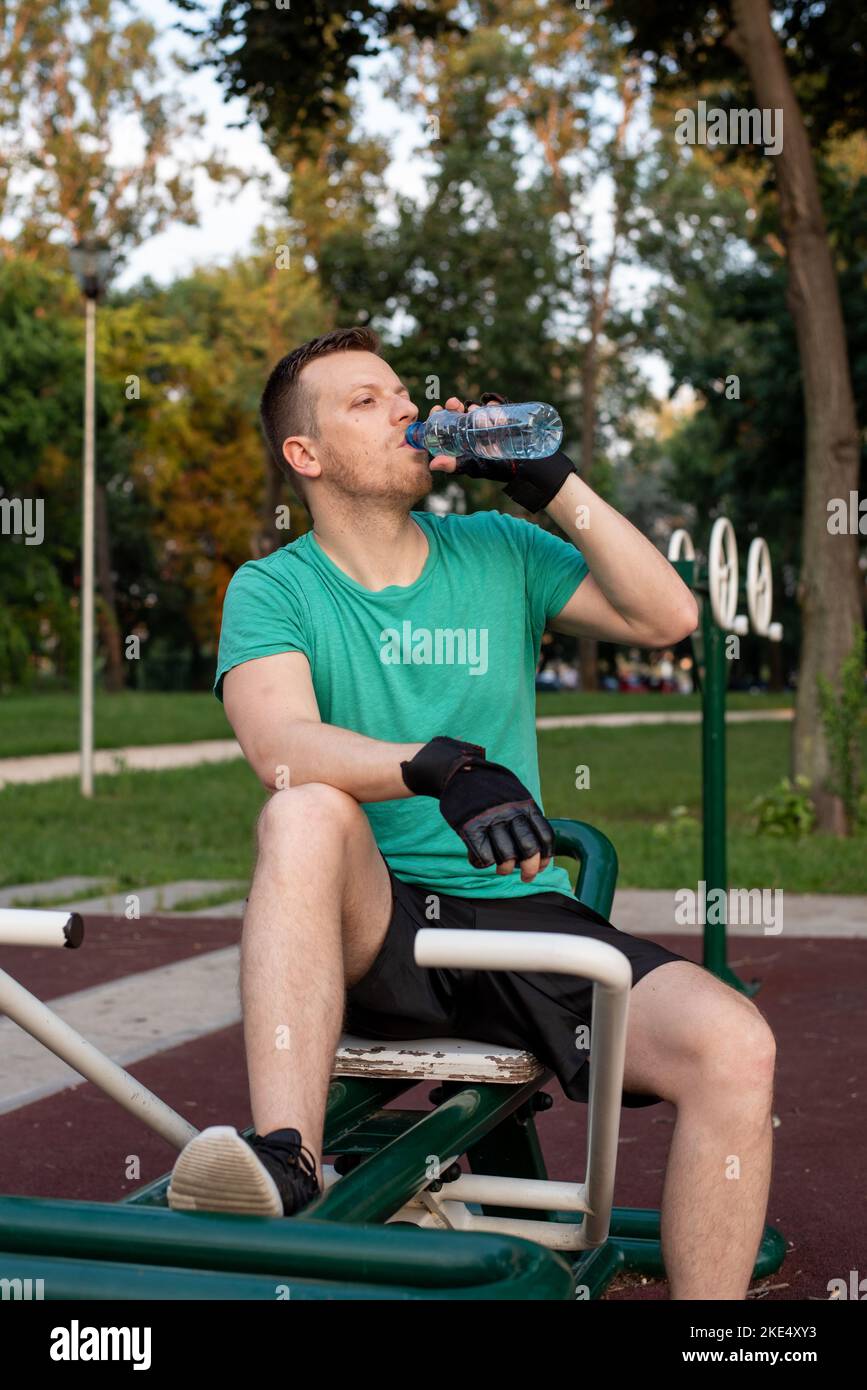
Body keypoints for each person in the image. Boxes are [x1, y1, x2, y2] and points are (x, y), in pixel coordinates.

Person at [167, 326, 777, 1300]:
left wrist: (553, 482)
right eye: (367, 400)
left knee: (737, 1042)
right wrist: (439, 766)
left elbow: (669, 618)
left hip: (520, 919)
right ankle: (287, 1157)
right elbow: (279, 744)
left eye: (404, 393)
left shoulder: (497, 546)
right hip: (378, 923)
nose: (406, 407)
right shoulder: (273, 586)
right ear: (305, 456)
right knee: (303, 815)